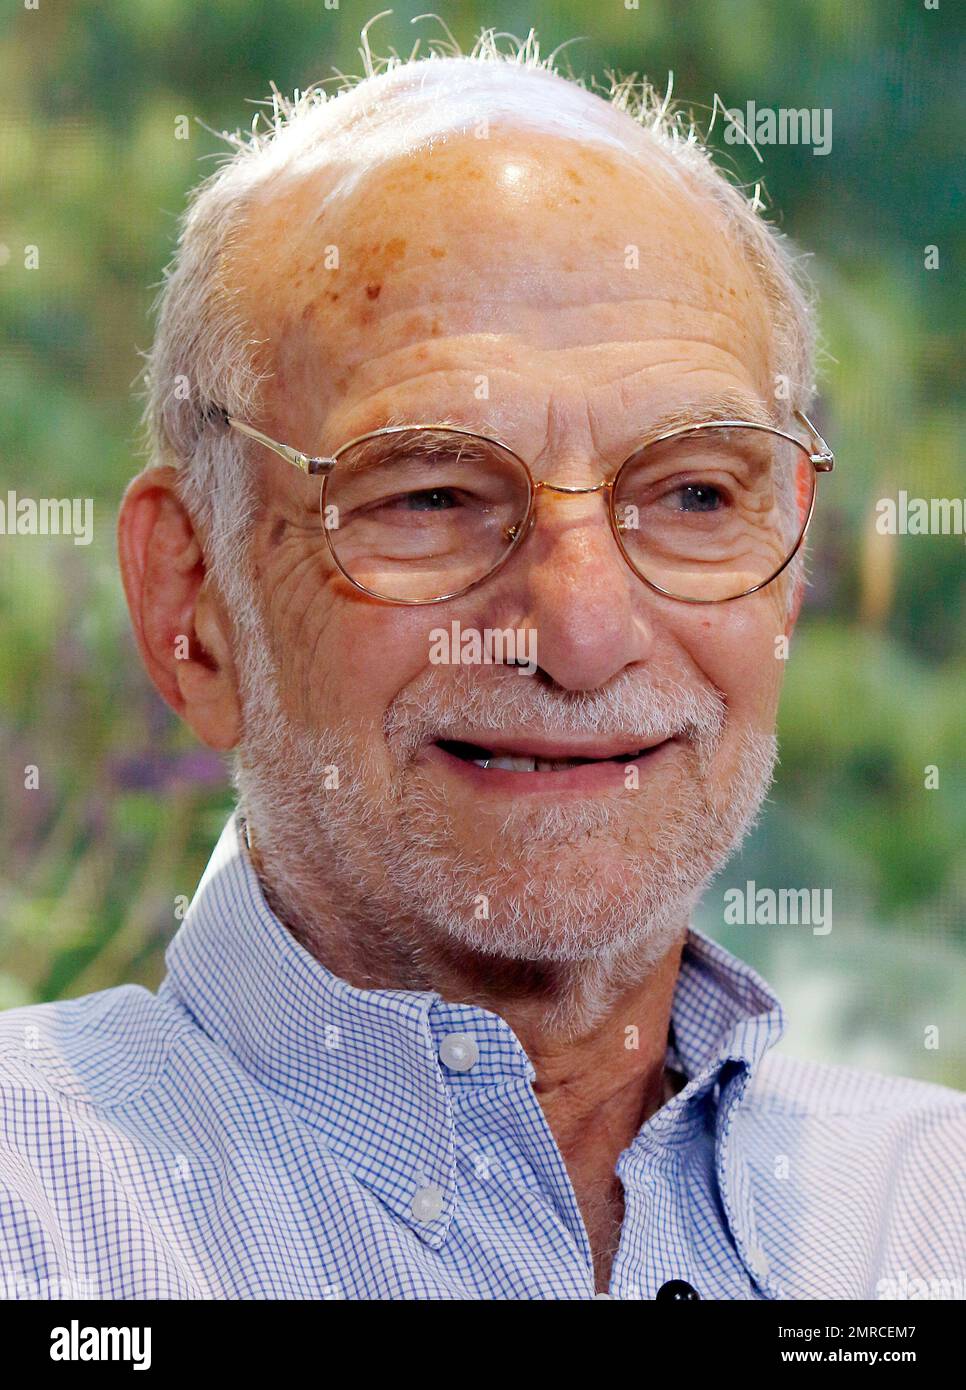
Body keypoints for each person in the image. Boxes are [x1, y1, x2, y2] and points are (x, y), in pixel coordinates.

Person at [1, 37, 961, 1301]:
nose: (581, 633)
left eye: (690, 491)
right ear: (195, 608)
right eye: (435, 494)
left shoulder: (928, 1210)